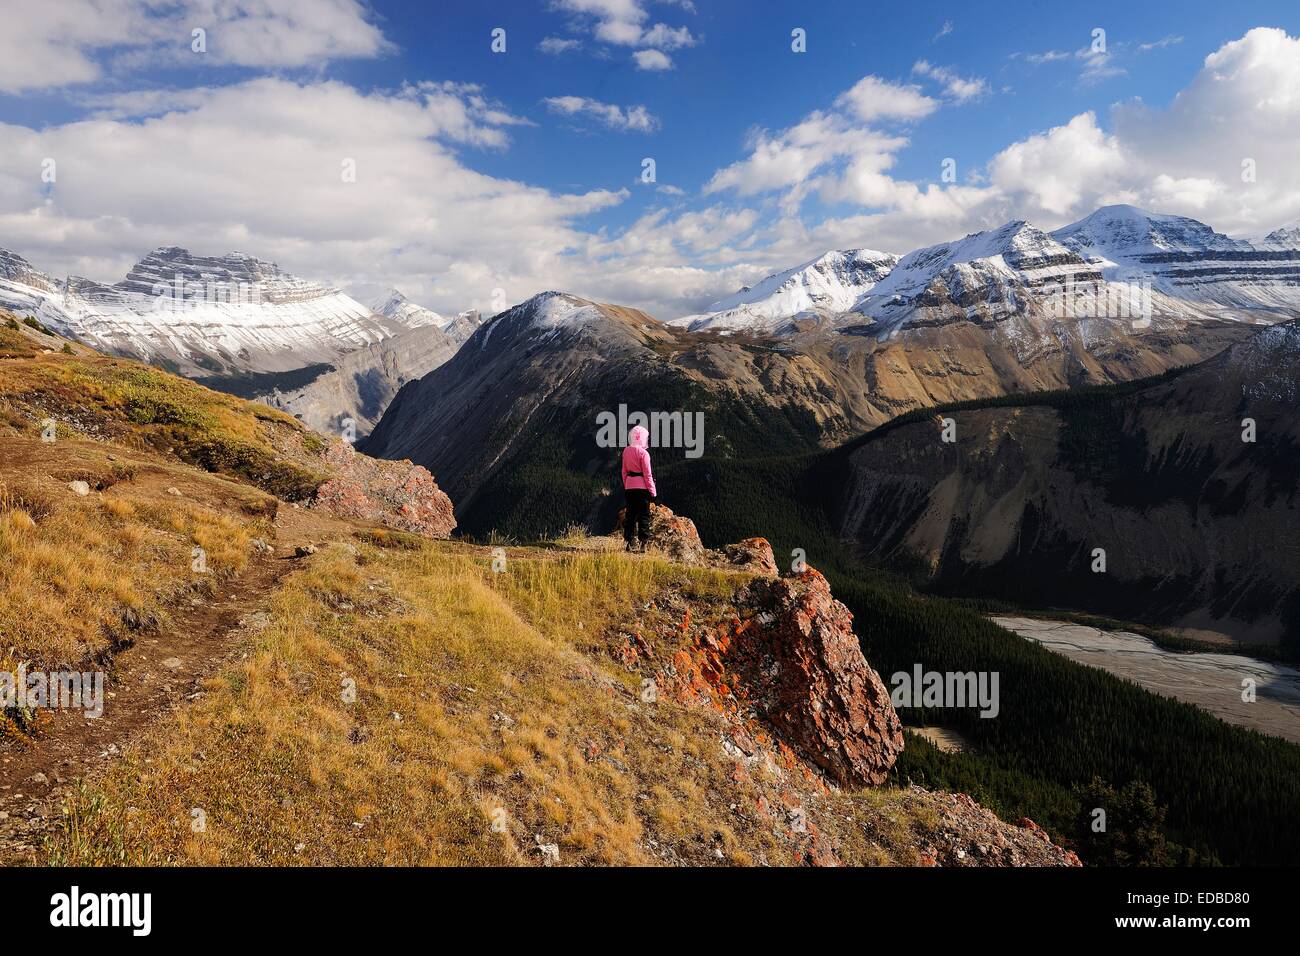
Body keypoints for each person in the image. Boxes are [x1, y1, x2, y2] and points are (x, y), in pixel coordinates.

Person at [621, 424, 656, 552]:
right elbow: (648, 475)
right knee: (643, 516)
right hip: (642, 489)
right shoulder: (644, 453)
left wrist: (627, 484)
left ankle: (629, 542)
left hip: (630, 487)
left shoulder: (626, 451)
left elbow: (624, 471)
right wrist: (653, 492)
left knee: (630, 515)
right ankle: (643, 543)